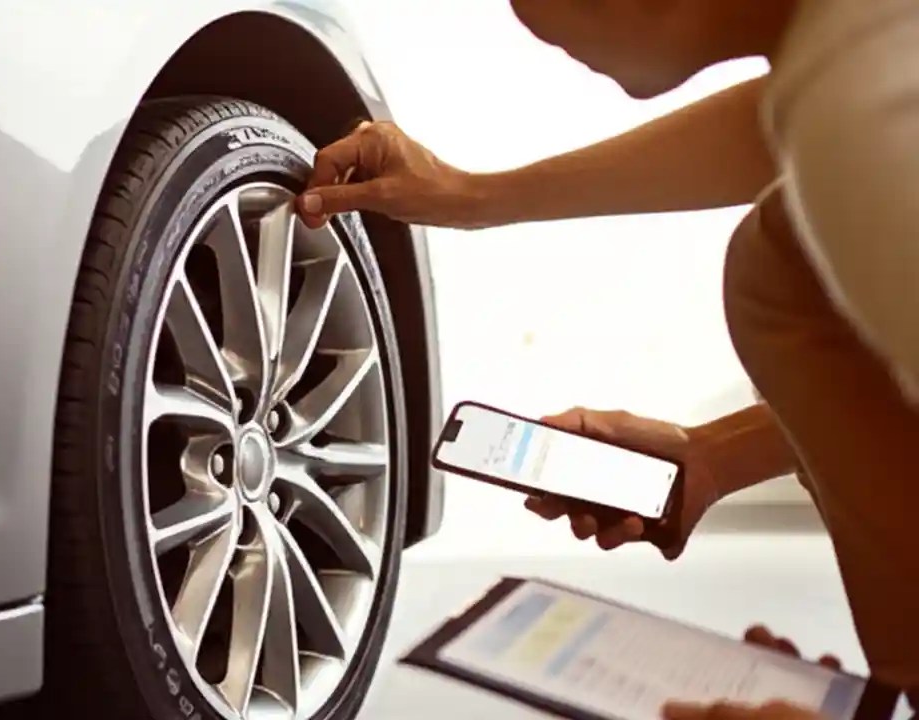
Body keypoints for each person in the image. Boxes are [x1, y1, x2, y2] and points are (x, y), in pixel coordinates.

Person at [295, 1, 919, 718]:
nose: (523, 12)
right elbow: (776, 129)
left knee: (775, 271)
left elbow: (833, 130)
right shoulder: (866, 60)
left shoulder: (865, 104)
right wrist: (718, 456)